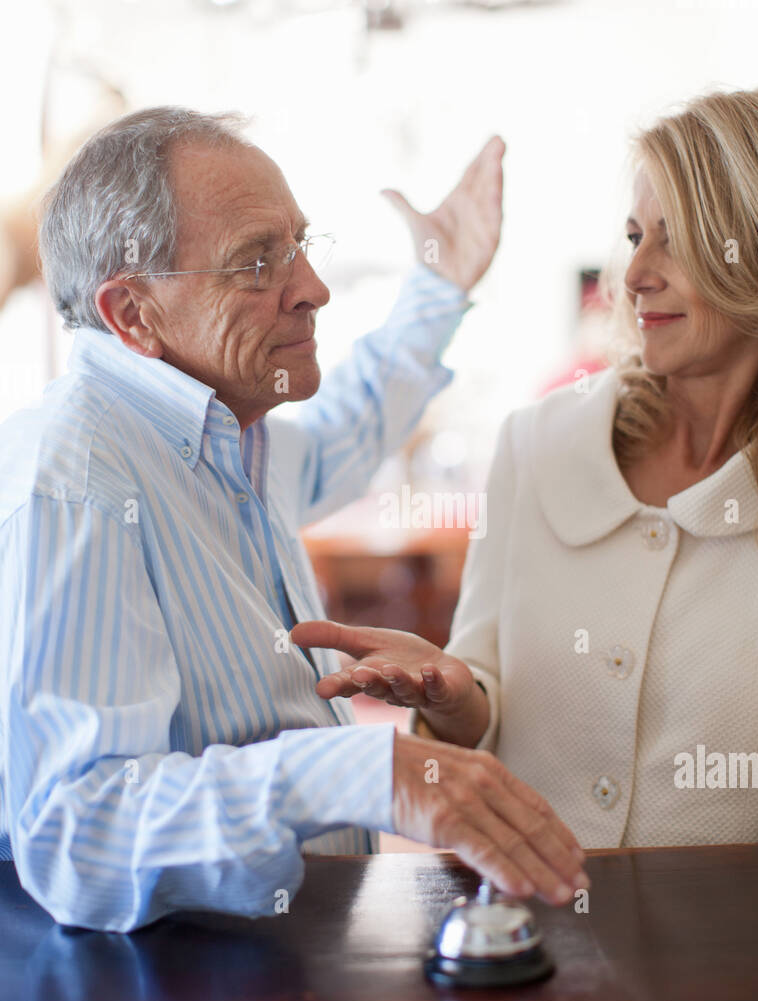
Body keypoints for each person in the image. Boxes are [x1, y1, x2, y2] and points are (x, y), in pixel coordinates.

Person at [0, 106, 589, 932]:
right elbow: (79, 831)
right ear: (133, 314)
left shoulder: (233, 430)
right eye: (256, 263)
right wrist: (356, 771)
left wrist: (438, 284)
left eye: (300, 246)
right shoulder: (76, 475)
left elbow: (349, 429)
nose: (311, 288)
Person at [293, 87, 758, 852]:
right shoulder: (537, 443)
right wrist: (454, 692)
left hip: (742, 951)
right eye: (635, 235)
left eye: (679, 239)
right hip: (525, 932)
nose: (634, 275)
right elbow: (479, 700)